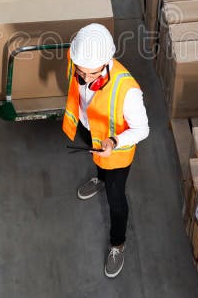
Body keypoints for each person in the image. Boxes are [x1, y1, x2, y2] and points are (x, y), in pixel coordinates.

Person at [62, 23, 150, 278]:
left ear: (106, 61)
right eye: (81, 73)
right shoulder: (76, 58)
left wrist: (113, 141)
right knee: (96, 160)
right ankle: (98, 178)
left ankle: (118, 243)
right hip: (89, 129)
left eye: (92, 74)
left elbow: (142, 129)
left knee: (116, 199)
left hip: (117, 151)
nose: (86, 79)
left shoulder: (128, 91)